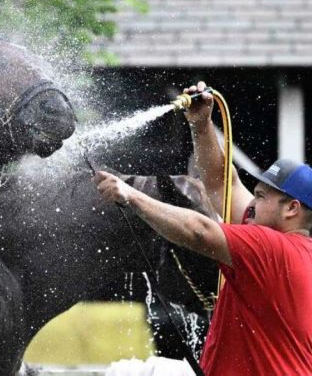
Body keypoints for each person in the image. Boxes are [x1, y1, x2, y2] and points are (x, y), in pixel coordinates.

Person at [93, 81, 312, 375]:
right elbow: (223, 184)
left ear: (292, 209)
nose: (252, 202)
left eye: (261, 196)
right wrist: (201, 125)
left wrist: (130, 194)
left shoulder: (273, 249)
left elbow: (200, 231)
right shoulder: (286, 244)